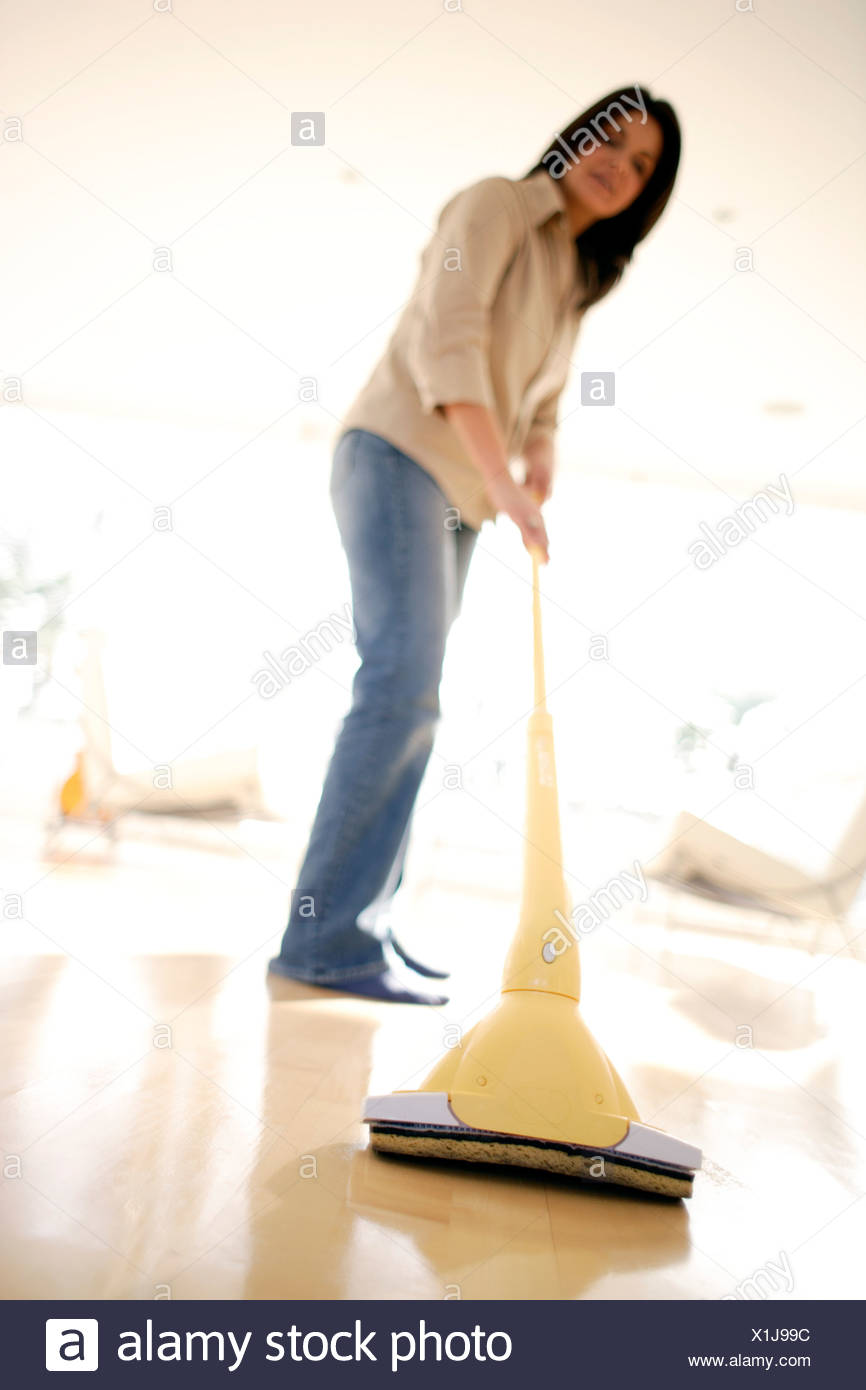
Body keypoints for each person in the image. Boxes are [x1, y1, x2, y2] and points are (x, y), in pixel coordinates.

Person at [269, 86, 681, 1004]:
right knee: (399, 687)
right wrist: (502, 481)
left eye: (645, 166)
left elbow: (541, 401)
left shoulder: (576, 274)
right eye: (612, 139)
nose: (621, 165)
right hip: (401, 454)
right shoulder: (495, 203)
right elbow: (445, 342)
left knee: (415, 698)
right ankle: (325, 939)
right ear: (575, 134)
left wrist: (538, 453)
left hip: (461, 491)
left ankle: (361, 924)